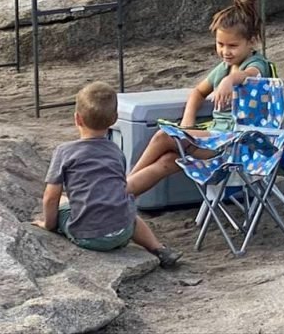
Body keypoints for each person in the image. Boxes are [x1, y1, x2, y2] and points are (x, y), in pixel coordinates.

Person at [124, 0, 274, 197]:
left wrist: (231, 80)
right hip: (217, 140)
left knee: (162, 137)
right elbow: (197, 92)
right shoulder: (224, 68)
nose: (225, 51)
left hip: (237, 144)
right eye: (220, 44)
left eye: (233, 45)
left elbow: (252, 74)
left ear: (251, 42)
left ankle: (119, 188)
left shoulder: (256, 63)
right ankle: (121, 197)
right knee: (167, 161)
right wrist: (188, 121)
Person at [35, 82, 179, 268]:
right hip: (123, 231)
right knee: (130, 213)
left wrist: (48, 225)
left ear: (77, 119)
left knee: (64, 203)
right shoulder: (115, 150)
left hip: (89, 237)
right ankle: (158, 248)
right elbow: (120, 187)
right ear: (115, 119)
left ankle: (63, 223)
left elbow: (50, 198)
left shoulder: (64, 152)